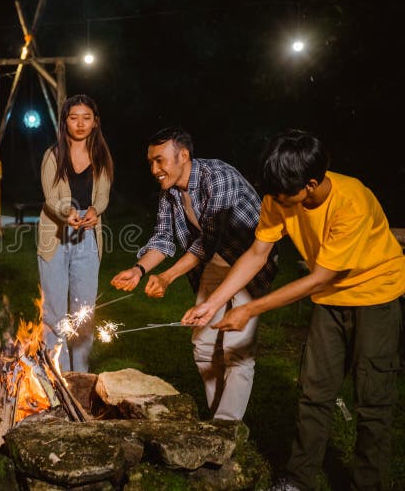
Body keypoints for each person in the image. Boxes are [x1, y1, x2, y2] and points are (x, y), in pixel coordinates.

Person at [183, 130, 404, 491]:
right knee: (314, 392)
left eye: (284, 196)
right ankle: (298, 479)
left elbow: (318, 278)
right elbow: (256, 255)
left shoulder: (352, 202)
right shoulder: (279, 196)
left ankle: (369, 483)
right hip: (330, 300)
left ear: (311, 184)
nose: (275, 202)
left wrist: (250, 308)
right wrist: (212, 302)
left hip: (375, 294)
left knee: (373, 399)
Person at [110, 127, 277, 420]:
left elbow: (207, 242)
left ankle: (225, 427)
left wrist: (167, 277)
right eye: (150, 162)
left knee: (236, 351)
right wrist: (139, 270)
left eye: (160, 161)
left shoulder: (218, 177)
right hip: (214, 263)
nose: (154, 169)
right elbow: (163, 238)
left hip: (249, 260)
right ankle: (218, 419)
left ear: (183, 155)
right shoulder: (170, 191)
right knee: (203, 344)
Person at [38, 94, 114, 372]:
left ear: (95, 122)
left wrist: (95, 210)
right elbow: (50, 196)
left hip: (88, 235)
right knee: (55, 313)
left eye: (86, 118)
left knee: (84, 314)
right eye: (74, 118)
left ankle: (79, 379)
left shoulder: (101, 155)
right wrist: (66, 211)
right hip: (54, 235)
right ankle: (58, 380)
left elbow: (103, 194)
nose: (80, 124)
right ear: (65, 122)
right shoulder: (53, 155)